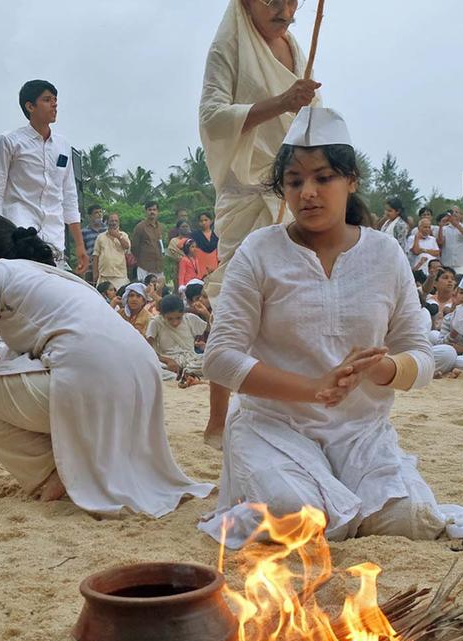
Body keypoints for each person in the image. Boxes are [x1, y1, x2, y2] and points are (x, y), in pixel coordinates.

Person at [198, 107, 448, 546]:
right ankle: (290, 494)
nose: (308, 192)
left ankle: (351, 492)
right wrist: (314, 388)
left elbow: (422, 355)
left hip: (360, 432)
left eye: (323, 177)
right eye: (294, 181)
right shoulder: (260, 250)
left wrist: (382, 369)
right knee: (302, 518)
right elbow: (218, 359)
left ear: (351, 179)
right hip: (274, 425)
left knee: (414, 521)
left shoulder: (385, 254)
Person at [0, 214, 212, 515]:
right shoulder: (57, 278)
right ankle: (74, 464)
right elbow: (37, 353)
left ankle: (55, 472)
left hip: (94, 386)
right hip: (143, 385)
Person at [198, 0, 322, 449]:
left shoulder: (297, 48)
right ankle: (216, 421)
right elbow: (212, 117)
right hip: (246, 191)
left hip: (295, 190)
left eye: (293, 0)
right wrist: (282, 103)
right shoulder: (227, 47)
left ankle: (288, 408)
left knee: (295, 297)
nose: (283, 9)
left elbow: (311, 120)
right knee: (234, 300)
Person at [0, 80, 87, 273]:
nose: (54, 104)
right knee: (22, 287)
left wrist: (79, 245)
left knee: (51, 290)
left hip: (54, 233)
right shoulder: (10, 141)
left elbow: (69, 195)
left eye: (56, 100)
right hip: (19, 228)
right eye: (47, 100)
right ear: (30, 106)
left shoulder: (63, 145)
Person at [148, 294, 207, 386]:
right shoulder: (156, 322)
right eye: (170, 319)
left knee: (213, 361)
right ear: (162, 315)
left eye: (178, 318)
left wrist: (206, 314)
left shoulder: (189, 319)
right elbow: (147, 349)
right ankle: (179, 376)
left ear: (183, 313)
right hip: (168, 362)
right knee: (150, 368)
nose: (175, 322)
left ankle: (185, 374)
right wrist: (168, 360)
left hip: (192, 360)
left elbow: (213, 329)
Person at [91, 212, 131, 290]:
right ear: (107, 222)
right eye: (111, 221)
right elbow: (96, 255)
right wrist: (95, 273)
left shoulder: (124, 235)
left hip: (120, 276)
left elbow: (127, 247)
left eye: (116, 221)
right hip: (104, 276)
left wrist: (118, 236)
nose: (114, 223)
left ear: (119, 222)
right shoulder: (100, 237)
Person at [131, 201, 165, 282]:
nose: (152, 212)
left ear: (157, 212)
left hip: (158, 266)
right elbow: (134, 247)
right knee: (143, 289)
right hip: (144, 266)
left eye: (154, 210)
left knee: (159, 289)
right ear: (146, 211)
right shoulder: (140, 227)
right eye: (150, 210)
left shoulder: (160, 227)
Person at [438, 207, 463, 275]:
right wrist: (441, 226)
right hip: (447, 264)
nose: (454, 214)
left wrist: (456, 224)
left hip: (460, 264)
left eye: (456, 212)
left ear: (461, 215)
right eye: (452, 212)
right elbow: (440, 242)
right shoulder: (444, 229)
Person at [189, 211, 220, 278]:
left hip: (215, 264)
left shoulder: (216, 234)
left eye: (206, 220)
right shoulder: (194, 235)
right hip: (200, 265)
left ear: (211, 221)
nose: (204, 223)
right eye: (201, 221)